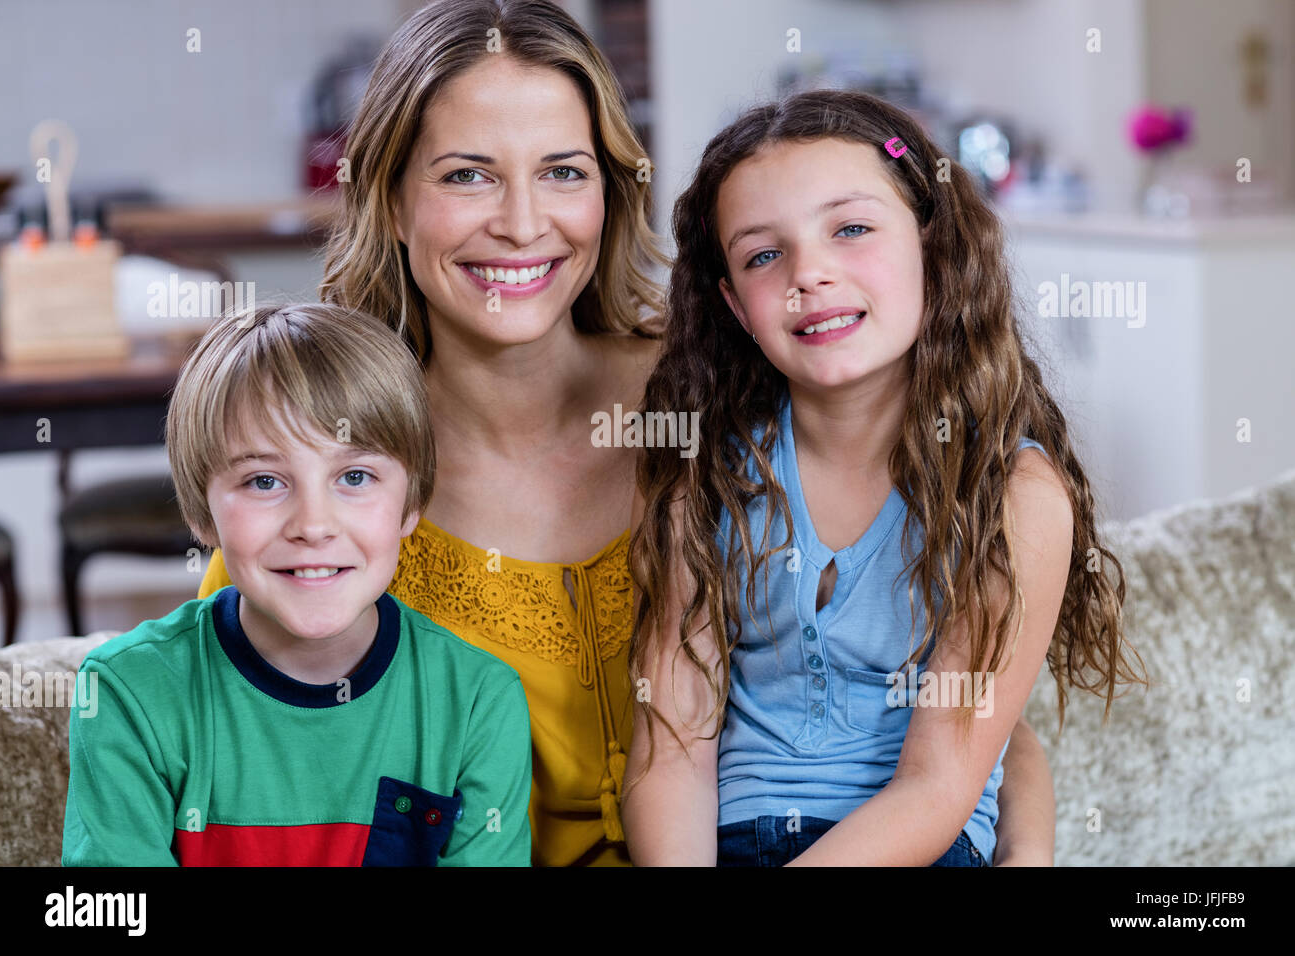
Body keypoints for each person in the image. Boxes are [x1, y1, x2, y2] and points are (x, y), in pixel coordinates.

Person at [198, 0, 1057, 866]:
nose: (523, 222)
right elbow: (241, 775)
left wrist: (1022, 844)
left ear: (611, 195)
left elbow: (935, 699)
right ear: (388, 200)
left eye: (564, 172)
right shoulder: (323, 481)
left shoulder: (722, 398)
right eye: (467, 176)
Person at [624, 89, 1147, 866]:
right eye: (764, 255)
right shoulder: (708, 479)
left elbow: (940, 786)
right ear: (736, 305)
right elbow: (672, 753)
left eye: (853, 228)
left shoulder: (1015, 496)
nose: (810, 274)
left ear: (931, 247)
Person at [63, 304, 532, 866]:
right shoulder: (127, 694)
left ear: (412, 504)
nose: (313, 525)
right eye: (264, 481)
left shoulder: (479, 701)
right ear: (202, 514)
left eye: (354, 477)